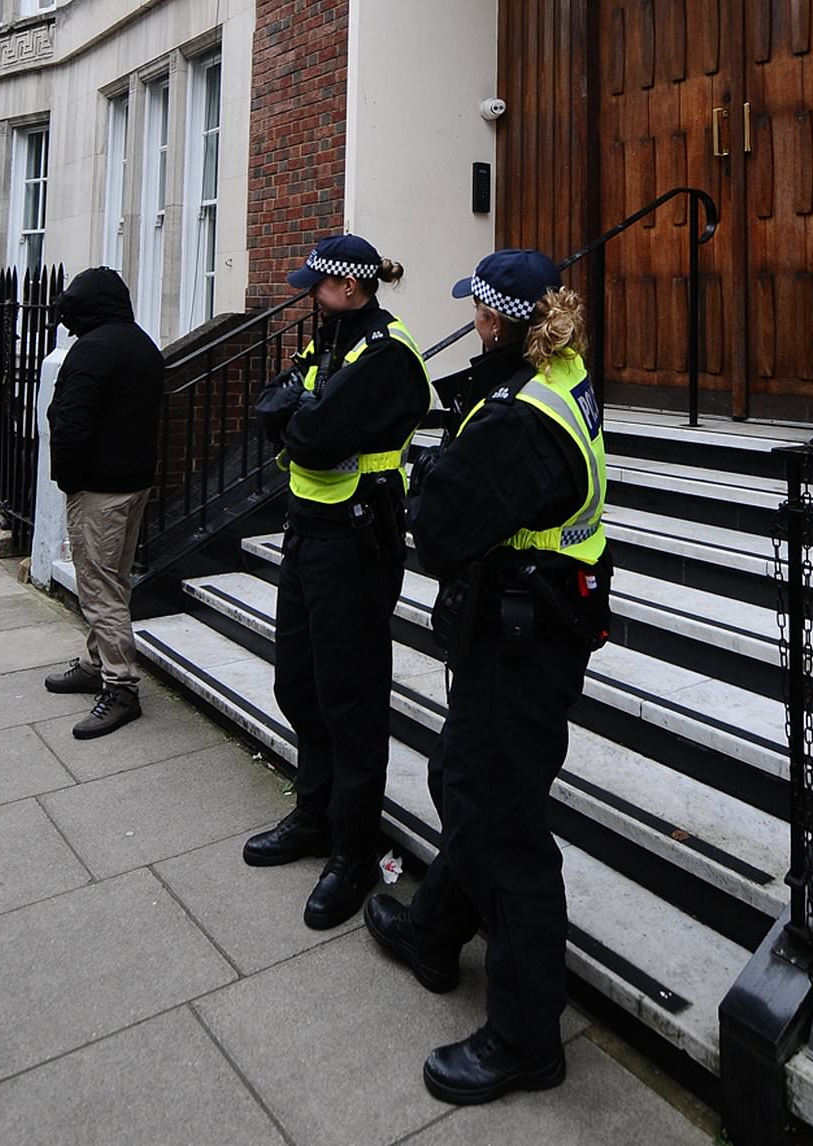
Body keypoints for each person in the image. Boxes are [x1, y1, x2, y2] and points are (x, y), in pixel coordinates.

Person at [355, 250, 608, 1103]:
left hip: (521, 639)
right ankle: (434, 931)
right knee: (468, 782)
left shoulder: (518, 417)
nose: (472, 319)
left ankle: (526, 1040)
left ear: (495, 319)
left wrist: (432, 473)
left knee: (502, 825)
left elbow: (440, 526)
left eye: (478, 309)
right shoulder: (559, 372)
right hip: (534, 624)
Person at [246, 234, 430, 930]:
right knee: (298, 683)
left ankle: (353, 850)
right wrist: (301, 409)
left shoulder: (387, 353)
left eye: (317, 285)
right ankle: (314, 815)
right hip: (307, 531)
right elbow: (271, 407)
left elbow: (313, 436)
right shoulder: (329, 338)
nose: (309, 295)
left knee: (351, 701)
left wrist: (300, 412)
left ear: (350, 286)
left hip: (356, 540)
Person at [41, 267, 164, 740]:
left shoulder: (93, 349)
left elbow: (70, 422)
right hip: (135, 482)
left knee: (99, 588)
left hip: (98, 489)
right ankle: (97, 664)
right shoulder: (141, 344)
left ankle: (121, 687)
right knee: (113, 580)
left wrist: (70, 481)